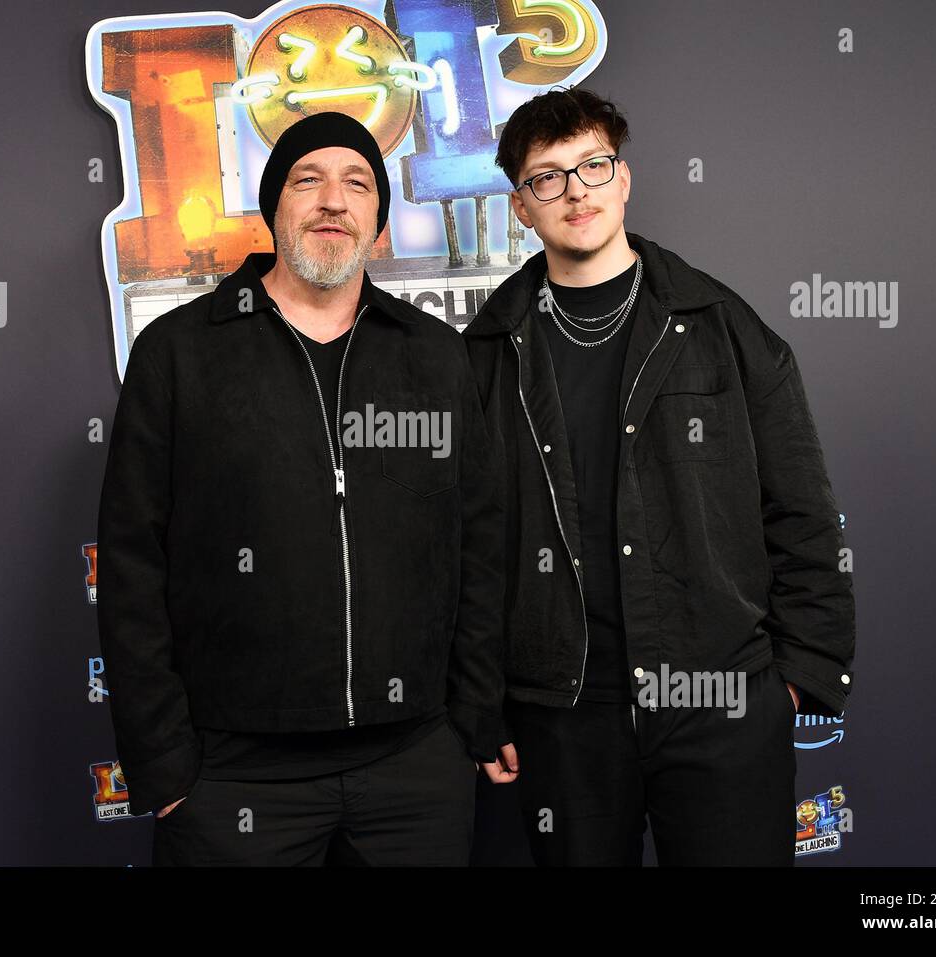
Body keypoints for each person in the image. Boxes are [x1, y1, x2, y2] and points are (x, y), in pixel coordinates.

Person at [96, 111, 505, 866]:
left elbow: (479, 543)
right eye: (306, 179)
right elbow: (130, 570)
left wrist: (473, 716)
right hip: (232, 775)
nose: (332, 200)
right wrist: (164, 761)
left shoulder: (435, 357)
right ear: (273, 207)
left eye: (356, 183)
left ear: (377, 217)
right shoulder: (180, 353)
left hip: (415, 766)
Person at [464, 87, 856, 865]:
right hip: (561, 714)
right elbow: (465, 546)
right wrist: (481, 698)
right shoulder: (484, 353)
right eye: (549, 177)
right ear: (521, 208)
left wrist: (788, 684)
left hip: (720, 700)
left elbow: (803, 510)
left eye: (593, 165)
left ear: (625, 178)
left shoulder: (724, 326)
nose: (577, 191)